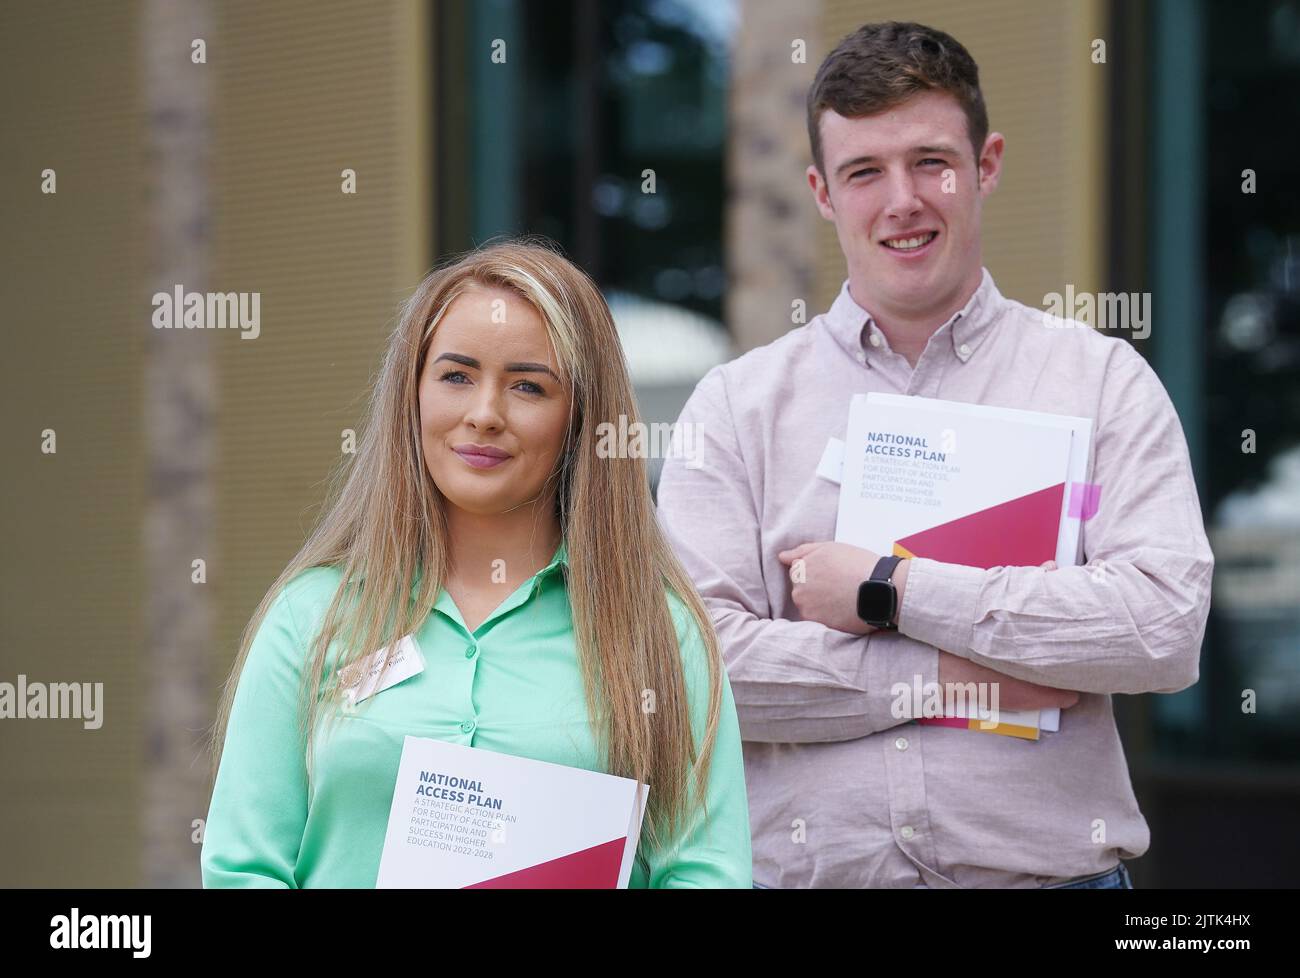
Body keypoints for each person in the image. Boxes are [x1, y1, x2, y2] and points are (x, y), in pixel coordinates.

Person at [656, 21, 1213, 888]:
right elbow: (700, 676)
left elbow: (1162, 628)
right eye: (864, 172)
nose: (902, 200)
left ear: (985, 165)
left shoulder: (1100, 379)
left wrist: (890, 588)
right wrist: (952, 675)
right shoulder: (735, 408)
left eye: (931, 162)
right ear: (822, 192)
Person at [201, 239, 751, 888]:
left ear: (580, 418)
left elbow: (704, 874)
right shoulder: (308, 617)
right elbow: (244, 869)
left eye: (527, 386)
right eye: (457, 376)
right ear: (413, 395)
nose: (484, 414)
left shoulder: (663, 636)